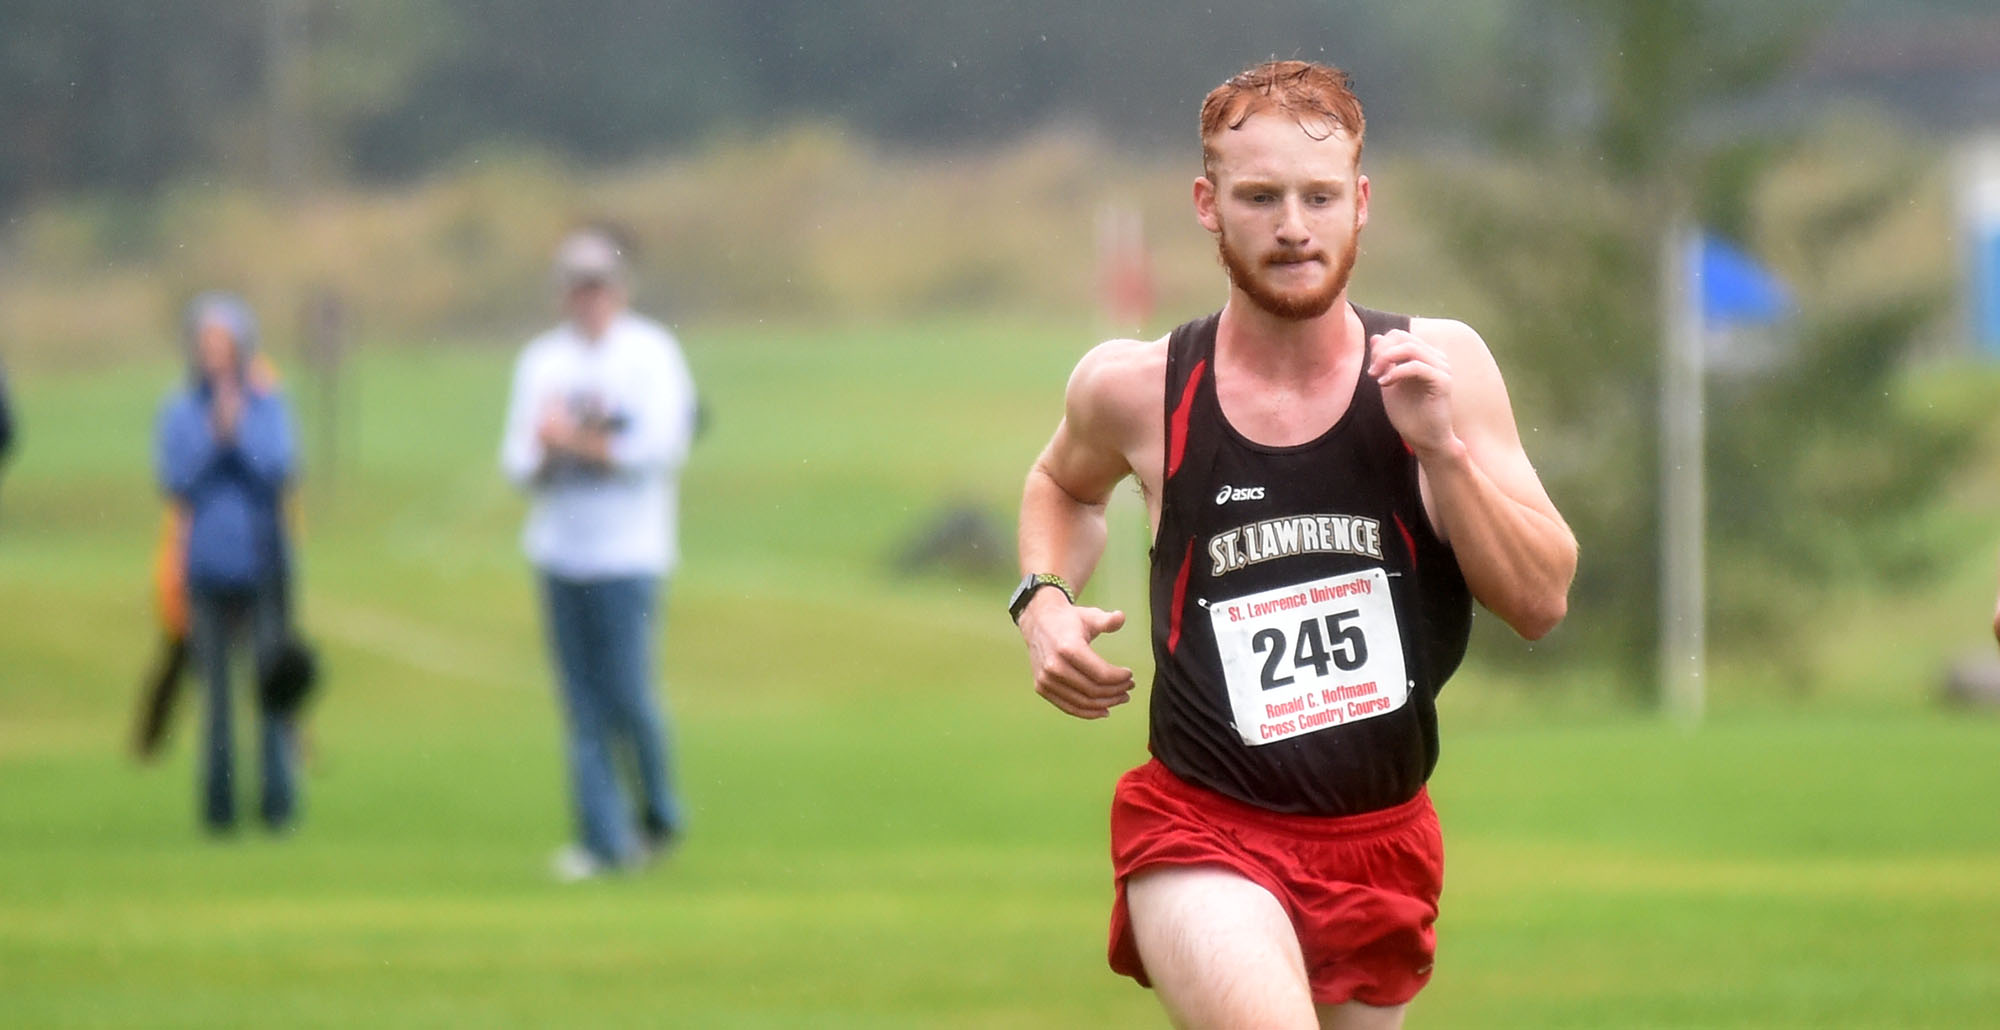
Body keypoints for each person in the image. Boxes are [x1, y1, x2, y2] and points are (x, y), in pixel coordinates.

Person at [1011, 61, 1578, 1029]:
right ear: (1207, 203)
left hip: (1380, 839)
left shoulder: (1442, 369)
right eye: (1259, 196)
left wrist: (1439, 450)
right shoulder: (1137, 387)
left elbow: (1537, 599)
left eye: (1318, 197)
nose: (1291, 226)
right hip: (1201, 827)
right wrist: (1042, 598)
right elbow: (1062, 485)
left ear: (1360, 203)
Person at [500, 228, 698, 881]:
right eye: (578, 288)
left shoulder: (650, 355)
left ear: (618, 291)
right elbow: (518, 462)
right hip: (562, 552)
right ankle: (602, 839)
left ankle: (658, 813)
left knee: (630, 695)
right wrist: (548, 450)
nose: (589, 300)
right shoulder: (542, 363)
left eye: (599, 287)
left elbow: (658, 449)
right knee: (581, 704)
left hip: (629, 554)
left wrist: (578, 443)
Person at [155, 292, 301, 833]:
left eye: (224, 342)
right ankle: (217, 811)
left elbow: (278, 468)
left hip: (262, 564)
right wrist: (216, 437)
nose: (214, 352)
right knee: (215, 698)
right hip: (207, 568)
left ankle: (278, 805)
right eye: (206, 342)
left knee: (270, 690)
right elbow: (178, 479)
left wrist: (239, 432)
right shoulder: (180, 408)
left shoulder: (267, 403)